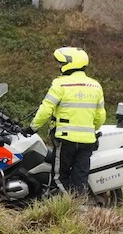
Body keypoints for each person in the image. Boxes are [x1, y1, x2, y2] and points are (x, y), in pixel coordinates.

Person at [27, 47, 106, 197]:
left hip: (65, 139)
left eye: (61, 63)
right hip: (88, 141)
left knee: (59, 177)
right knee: (80, 178)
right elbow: (100, 116)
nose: (60, 66)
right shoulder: (95, 86)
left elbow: (46, 110)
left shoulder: (60, 84)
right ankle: (80, 208)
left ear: (69, 63)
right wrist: (89, 129)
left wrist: (32, 128)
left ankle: (71, 203)